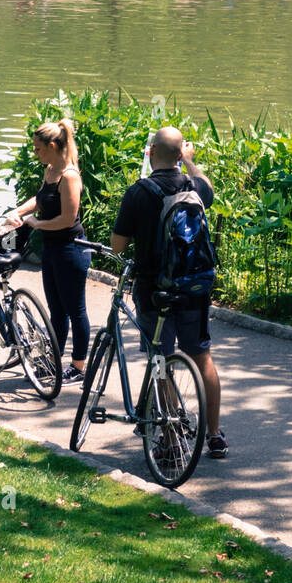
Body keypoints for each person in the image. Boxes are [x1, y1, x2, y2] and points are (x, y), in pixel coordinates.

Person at [110, 126, 227, 459]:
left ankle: (173, 441)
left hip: (154, 291)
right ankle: (215, 436)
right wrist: (190, 162)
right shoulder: (194, 186)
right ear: (179, 155)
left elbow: (117, 246)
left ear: (149, 154)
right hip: (194, 289)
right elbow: (210, 189)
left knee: (161, 361)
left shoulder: (138, 192)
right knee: (201, 356)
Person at [5, 118, 90, 385]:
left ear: (53, 145)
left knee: (75, 310)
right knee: (56, 310)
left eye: (39, 149)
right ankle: (54, 363)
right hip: (53, 250)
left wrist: (37, 224)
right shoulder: (50, 170)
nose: (36, 153)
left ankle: (78, 367)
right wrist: (19, 211)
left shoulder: (69, 176)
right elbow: (41, 200)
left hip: (71, 250)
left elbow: (68, 218)